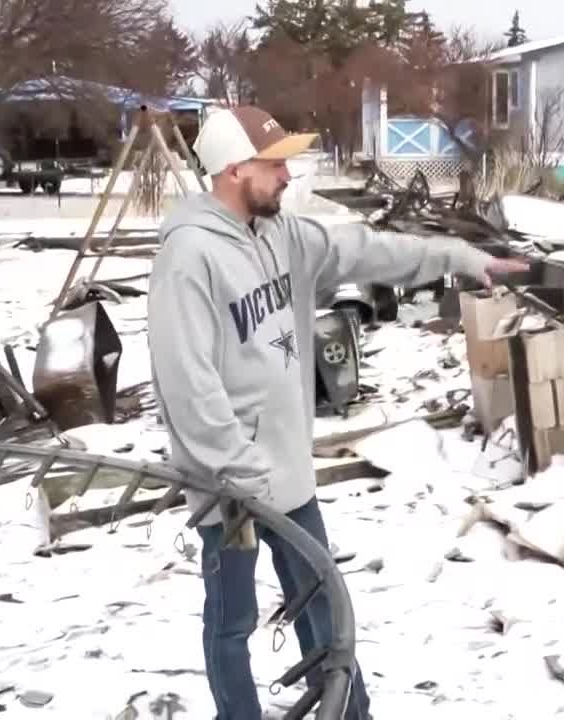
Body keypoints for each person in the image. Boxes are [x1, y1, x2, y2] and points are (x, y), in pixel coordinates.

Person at [146, 106, 528, 720]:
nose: (289, 176)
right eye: (275, 165)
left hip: (288, 475)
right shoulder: (189, 258)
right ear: (234, 168)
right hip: (229, 486)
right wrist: (238, 473)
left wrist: (457, 257)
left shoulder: (281, 236)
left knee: (322, 605)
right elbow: (187, 382)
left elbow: (366, 250)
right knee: (232, 621)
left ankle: (349, 713)